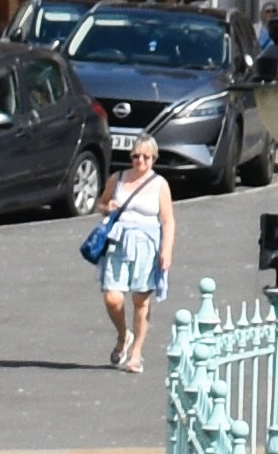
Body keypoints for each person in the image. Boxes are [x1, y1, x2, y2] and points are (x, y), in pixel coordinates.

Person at [91, 131, 177, 373]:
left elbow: (168, 221)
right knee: (112, 297)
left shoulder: (160, 184)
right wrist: (107, 207)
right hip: (118, 242)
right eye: (136, 156)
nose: (140, 161)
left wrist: (166, 251)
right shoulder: (118, 178)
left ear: (154, 159)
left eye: (146, 157)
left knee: (141, 300)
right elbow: (100, 203)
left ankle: (137, 353)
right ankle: (123, 335)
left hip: (146, 246)